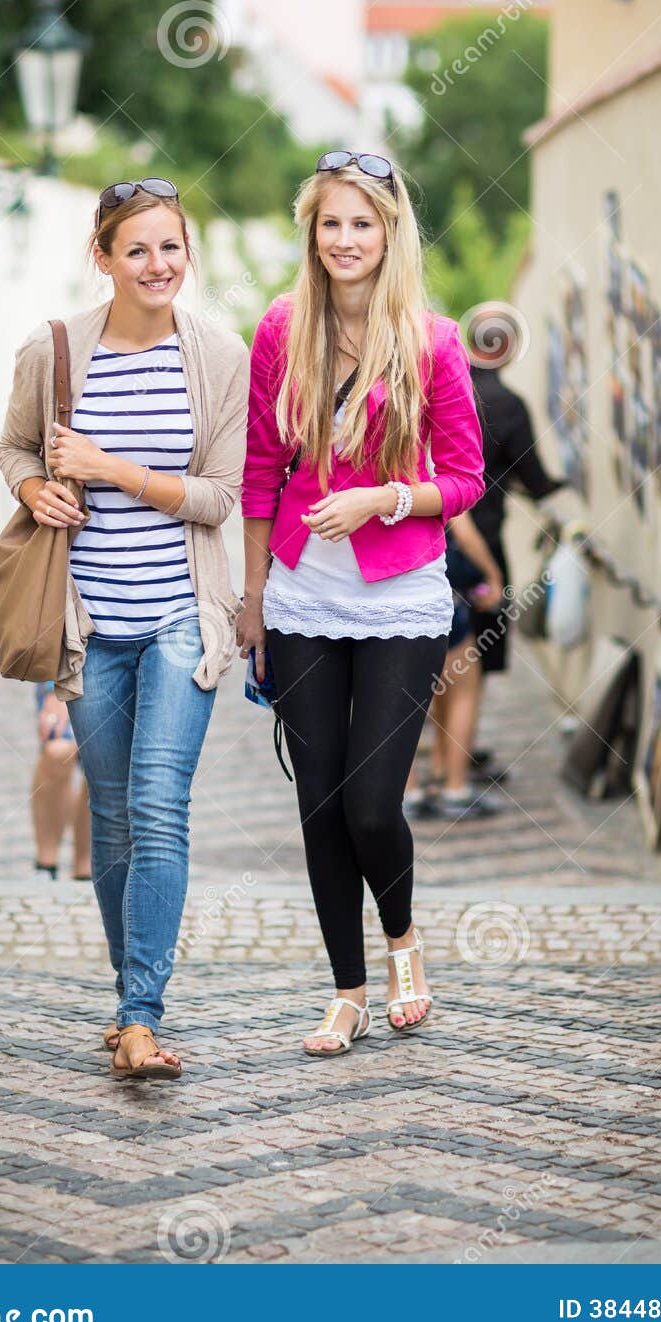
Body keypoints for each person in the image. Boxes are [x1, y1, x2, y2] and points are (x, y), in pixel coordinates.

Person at [0, 178, 248, 1080]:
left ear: (188, 253)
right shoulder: (55, 349)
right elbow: (16, 446)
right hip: (90, 625)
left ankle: (141, 1015)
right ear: (101, 258)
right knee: (109, 819)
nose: (157, 265)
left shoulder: (219, 355)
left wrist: (108, 467)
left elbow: (222, 494)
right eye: (136, 249)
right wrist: (36, 487)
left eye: (171, 247)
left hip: (184, 618)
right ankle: (126, 999)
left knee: (155, 807)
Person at [236, 151, 485, 1058]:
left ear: (390, 234)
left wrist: (380, 498)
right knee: (318, 806)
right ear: (312, 232)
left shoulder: (432, 340)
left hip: (401, 596)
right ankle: (345, 991)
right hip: (300, 595)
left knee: (371, 806)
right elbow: (262, 472)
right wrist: (253, 596)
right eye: (330, 223)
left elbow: (464, 481)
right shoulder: (278, 330)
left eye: (362, 224)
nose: (345, 241)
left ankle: (404, 945)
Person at [465, 329, 563, 798]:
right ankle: (455, 757)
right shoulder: (507, 403)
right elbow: (536, 478)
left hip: (422, 538)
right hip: (478, 542)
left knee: (432, 649)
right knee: (470, 654)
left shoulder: (443, 388)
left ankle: (428, 751)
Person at [411, 513, 504, 821]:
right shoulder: (422, 465)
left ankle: (405, 791)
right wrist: (493, 577)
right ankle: (455, 787)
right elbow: (464, 532)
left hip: (380, 597)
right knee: (464, 689)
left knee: (398, 698)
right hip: (434, 597)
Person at [31, 681, 90, 880]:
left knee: (104, 762)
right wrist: (54, 687)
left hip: (128, 663)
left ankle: (86, 871)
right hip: (66, 662)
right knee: (58, 751)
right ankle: (45, 867)